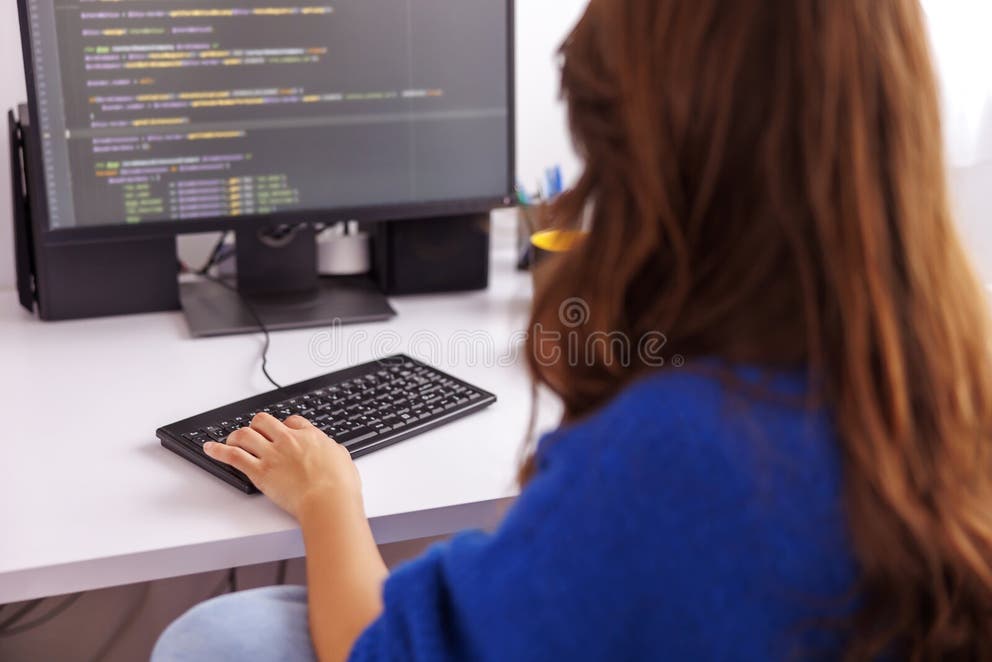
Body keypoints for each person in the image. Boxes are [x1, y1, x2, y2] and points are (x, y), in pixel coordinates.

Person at [153, 0, 992, 659]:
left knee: (216, 639)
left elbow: (378, 653)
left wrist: (326, 497)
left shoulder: (680, 450)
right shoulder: (950, 381)